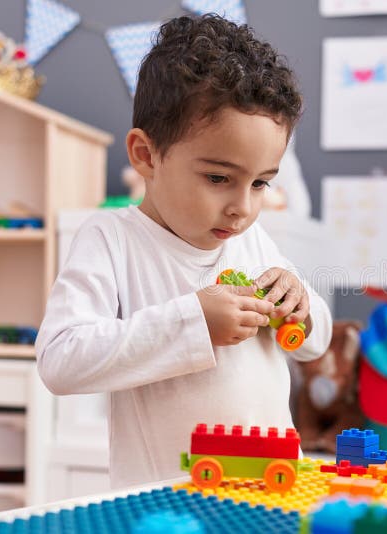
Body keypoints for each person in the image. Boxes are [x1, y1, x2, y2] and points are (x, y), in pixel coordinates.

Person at [35, 14, 331, 489]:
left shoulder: (251, 239)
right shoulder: (112, 239)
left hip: (274, 490)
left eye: (260, 183)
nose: (242, 207)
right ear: (146, 156)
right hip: (169, 505)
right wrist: (194, 322)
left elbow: (316, 341)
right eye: (218, 178)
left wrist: (302, 306)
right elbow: (60, 361)